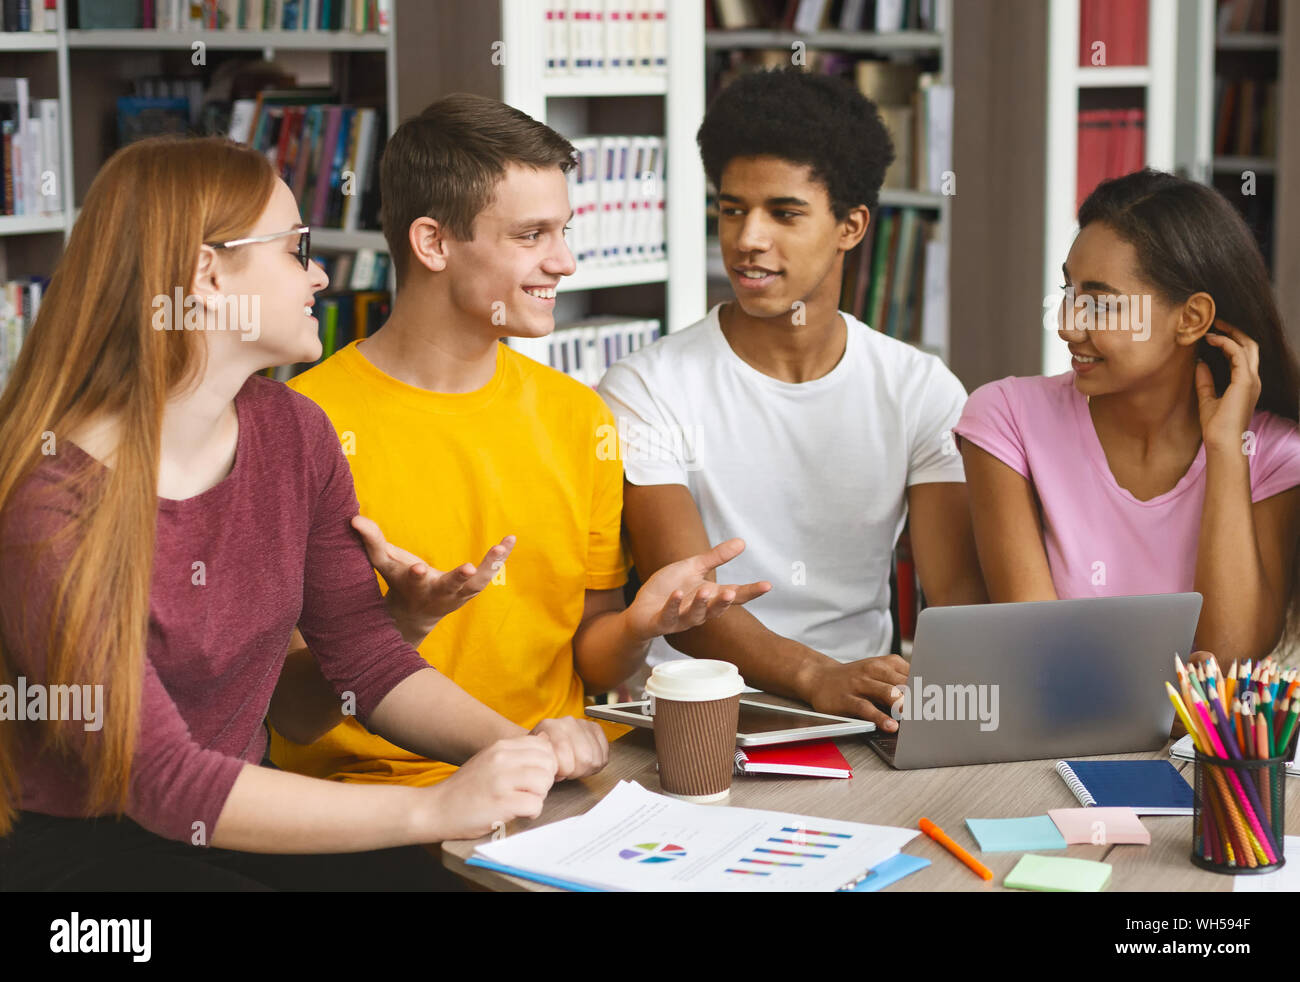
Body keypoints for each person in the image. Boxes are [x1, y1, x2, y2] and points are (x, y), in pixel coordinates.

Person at [0, 136, 599, 892]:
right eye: (294, 249)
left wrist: (525, 749)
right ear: (206, 275)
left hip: (245, 819)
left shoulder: (294, 432)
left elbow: (367, 660)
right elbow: (162, 781)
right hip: (84, 861)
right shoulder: (48, 502)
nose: (318, 272)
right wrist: (433, 809)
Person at [267, 93, 767, 786]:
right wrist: (396, 623)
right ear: (433, 243)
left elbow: (591, 659)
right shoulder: (300, 424)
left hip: (556, 788)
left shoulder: (579, 418)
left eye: (564, 231)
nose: (564, 262)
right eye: (532, 235)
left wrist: (640, 626)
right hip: (377, 805)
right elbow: (290, 713)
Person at [597, 68, 986, 731]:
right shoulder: (646, 386)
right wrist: (814, 674)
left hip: (866, 712)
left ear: (851, 226)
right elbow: (684, 603)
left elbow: (954, 596)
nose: (748, 239)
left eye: (784, 213)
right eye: (731, 208)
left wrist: (954, 707)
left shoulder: (920, 389)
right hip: (699, 711)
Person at [955, 169, 1300, 667]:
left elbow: (1224, 661)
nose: (1067, 324)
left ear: (1191, 319)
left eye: (1099, 303)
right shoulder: (1006, 420)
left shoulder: (1272, 454)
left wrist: (1226, 451)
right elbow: (1041, 654)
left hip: (1197, 749)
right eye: (1069, 292)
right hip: (1053, 742)